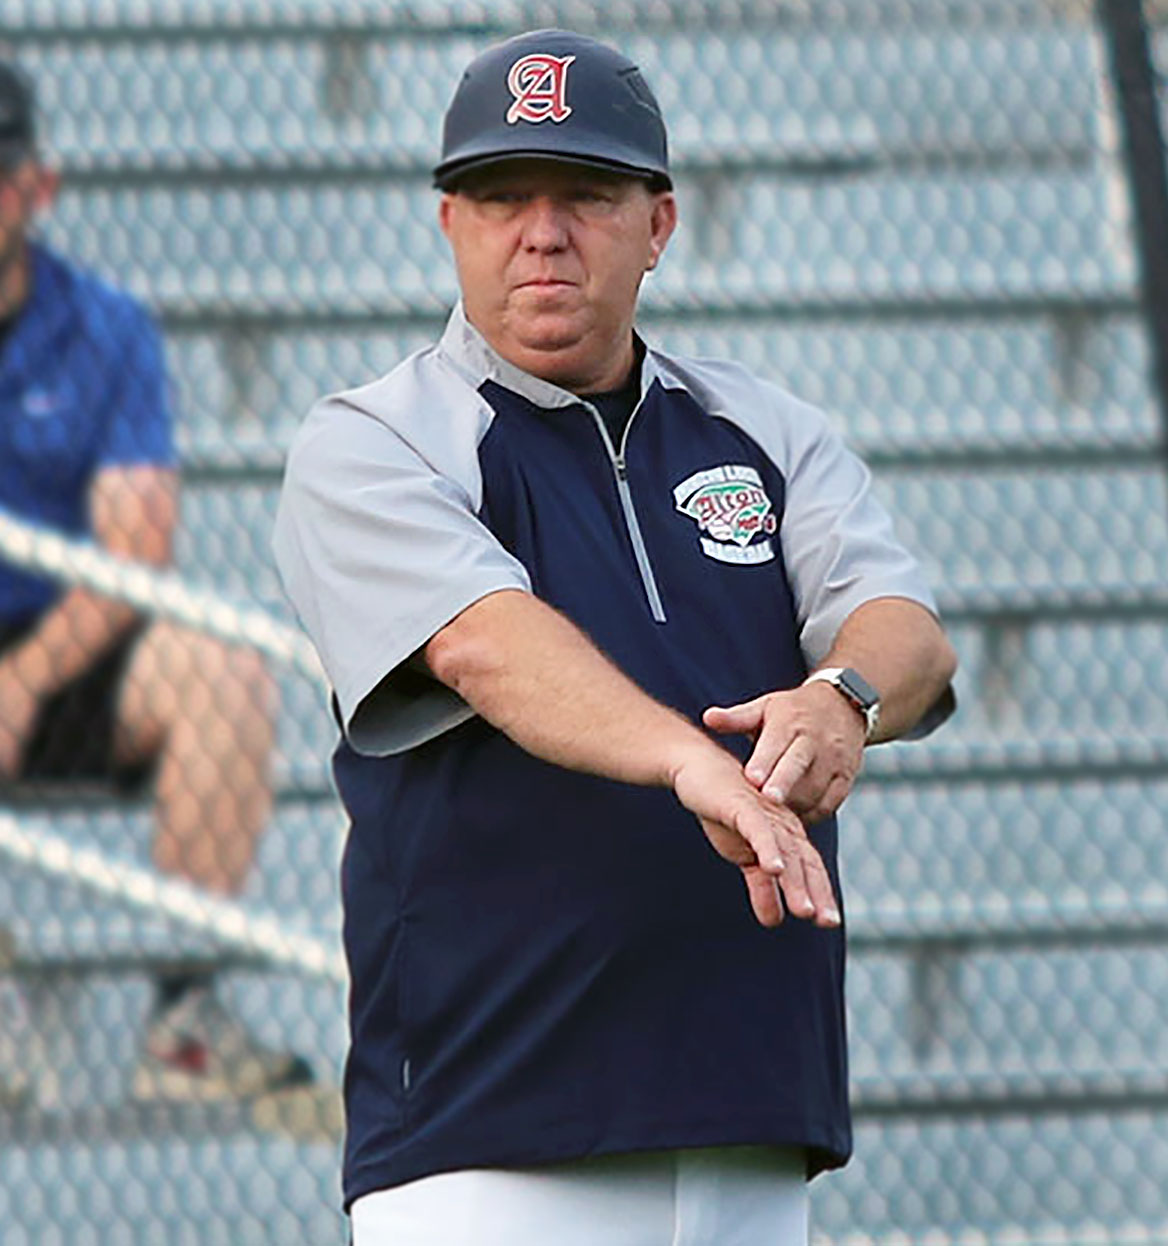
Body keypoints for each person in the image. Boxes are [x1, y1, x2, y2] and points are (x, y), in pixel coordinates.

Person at [274, 28, 957, 1245]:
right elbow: (486, 646)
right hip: (492, 1145)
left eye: (585, 194)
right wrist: (694, 763)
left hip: (752, 1112)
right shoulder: (375, 440)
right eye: (499, 197)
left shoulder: (763, 427)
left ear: (658, 224)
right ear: (449, 224)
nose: (541, 232)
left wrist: (842, 696)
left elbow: (904, 626)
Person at [0, 59, 312, 1104]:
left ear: (38, 187)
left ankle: (181, 1014)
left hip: (61, 651)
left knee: (222, 672)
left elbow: (137, 551)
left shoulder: (107, 325)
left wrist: (28, 677)